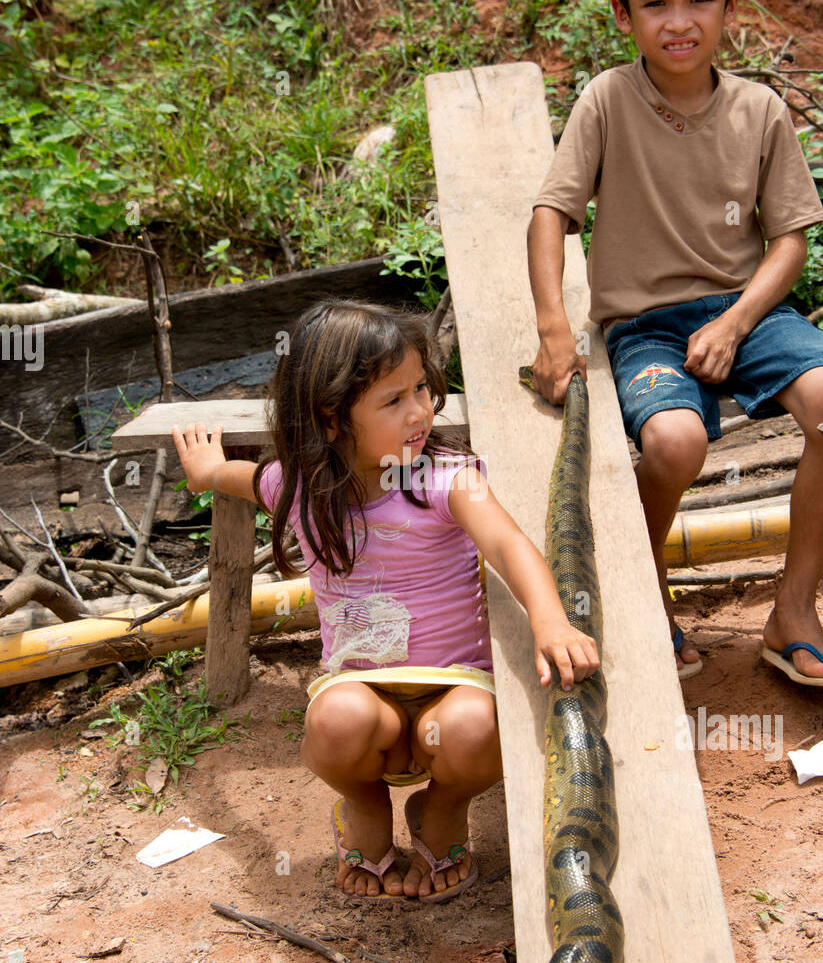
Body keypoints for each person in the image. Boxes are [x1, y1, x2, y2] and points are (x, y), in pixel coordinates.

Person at [527, 0, 823, 690]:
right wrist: (553, 330)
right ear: (622, 14)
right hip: (643, 323)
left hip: (745, 310)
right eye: (654, 3)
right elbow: (551, 213)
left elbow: (788, 240)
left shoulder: (758, 110)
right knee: (675, 442)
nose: (678, 22)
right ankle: (645, 594)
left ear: (730, 7)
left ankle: (792, 612)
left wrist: (736, 318)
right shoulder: (607, 101)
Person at [172, 298, 599, 902]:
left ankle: (443, 806)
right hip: (362, 700)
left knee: (479, 728)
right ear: (330, 419)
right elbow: (246, 480)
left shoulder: (446, 479)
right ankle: (364, 805)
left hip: (451, 692)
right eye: (393, 400)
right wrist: (207, 472)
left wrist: (550, 619)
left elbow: (507, 544)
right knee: (335, 721)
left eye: (421, 389)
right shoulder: (304, 489)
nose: (419, 411)